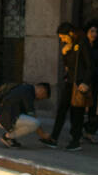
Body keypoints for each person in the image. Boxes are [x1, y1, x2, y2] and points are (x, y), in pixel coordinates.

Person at [38, 22, 91, 151]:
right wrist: (64, 53)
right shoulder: (68, 46)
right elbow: (68, 66)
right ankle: (54, 138)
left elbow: (90, 65)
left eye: (63, 37)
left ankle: (75, 140)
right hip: (70, 82)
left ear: (71, 33)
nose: (62, 39)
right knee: (62, 110)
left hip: (79, 84)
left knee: (76, 113)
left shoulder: (82, 43)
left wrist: (86, 82)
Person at [0, 81, 50, 147]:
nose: (40, 99)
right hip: (6, 118)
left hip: (1, 115)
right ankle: (7, 137)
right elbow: (32, 115)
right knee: (35, 123)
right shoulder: (28, 93)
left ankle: (11, 137)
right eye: (43, 96)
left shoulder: (24, 87)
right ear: (42, 89)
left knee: (29, 121)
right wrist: (43, 134)